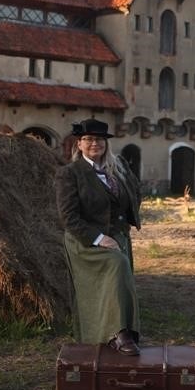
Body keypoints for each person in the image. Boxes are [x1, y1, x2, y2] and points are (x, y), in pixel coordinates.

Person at [55, 118, 142, 356]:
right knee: (117, 264)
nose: (95, 144)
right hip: (85, 240)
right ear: (79, 144)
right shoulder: (70, 173)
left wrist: (127, 219)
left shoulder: (119, 167)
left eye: (99, 139)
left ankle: (127, 331)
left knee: (120, 278)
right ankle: (117, 334)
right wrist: (98, 237)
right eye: (89, 139)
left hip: (118, 237)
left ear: (106, 143)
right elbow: (68, 218)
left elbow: (136, 190)